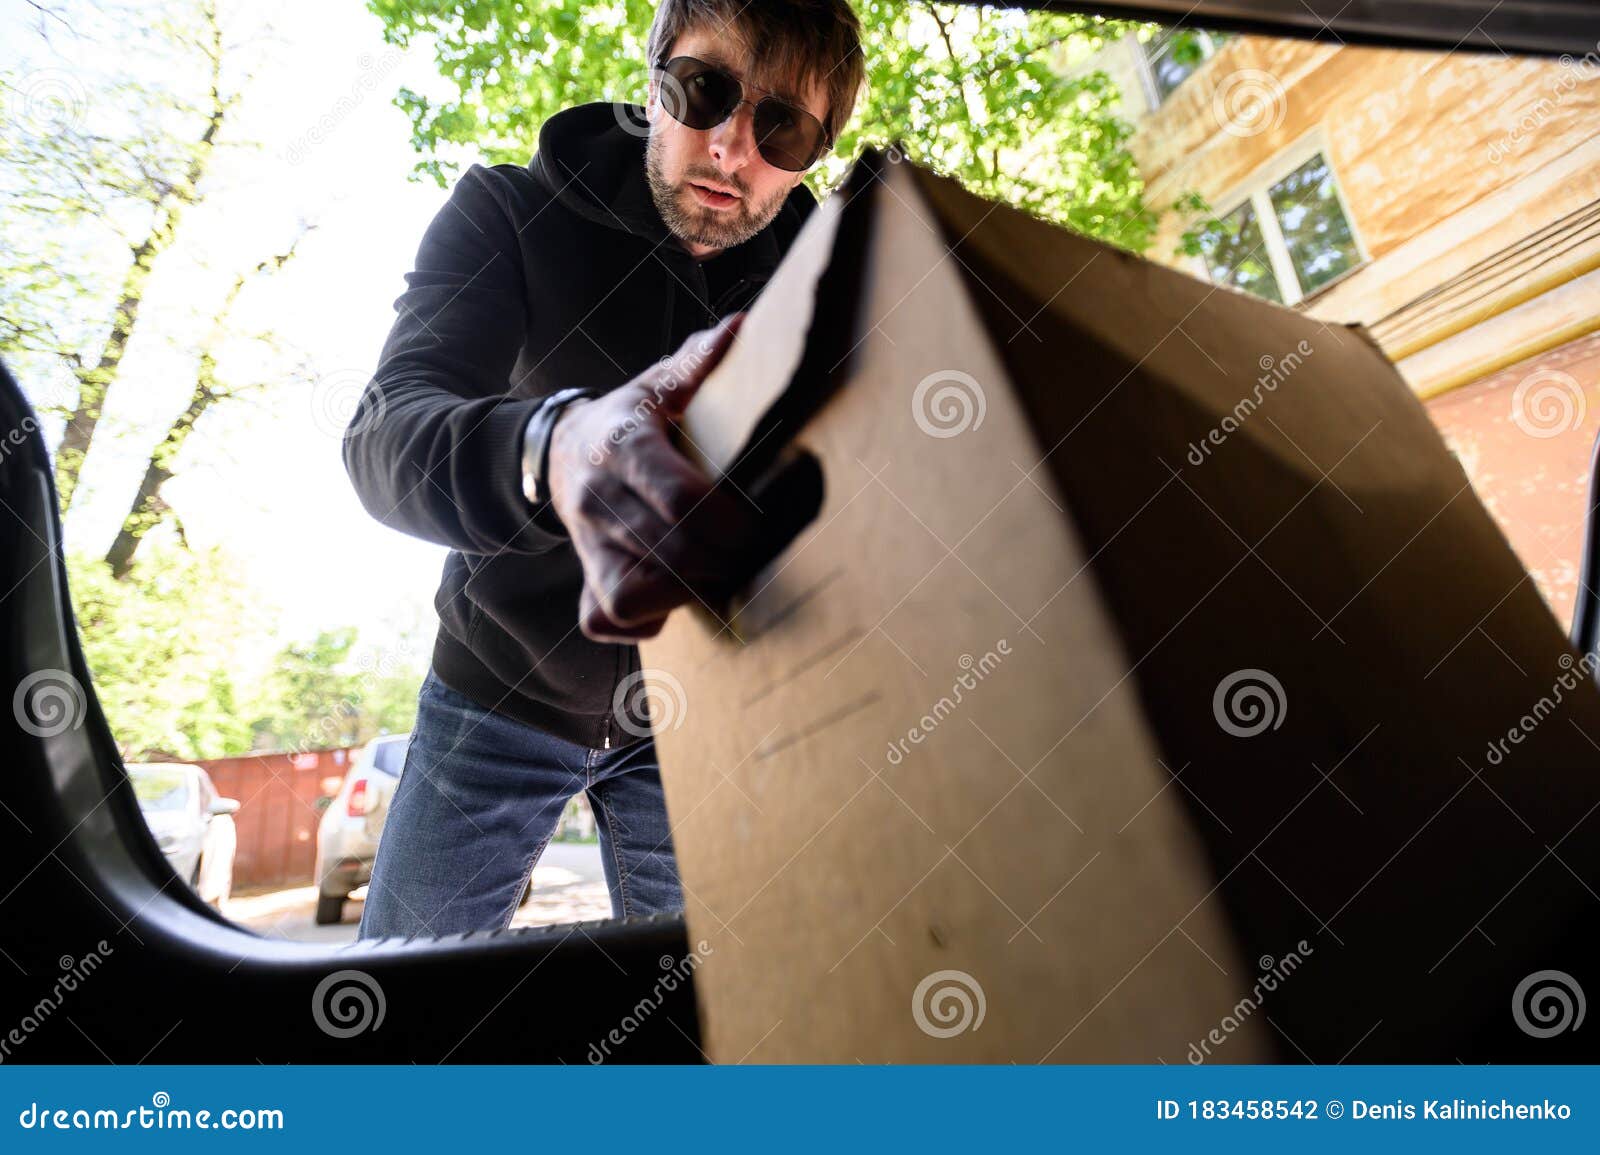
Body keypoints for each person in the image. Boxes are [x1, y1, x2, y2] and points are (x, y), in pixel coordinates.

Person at [344, 0, 867, 938]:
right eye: (707, 91)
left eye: (783, 126)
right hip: (496, 692)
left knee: (713, 1028)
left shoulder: (833, 293)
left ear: (817, 151)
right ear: (657, 73)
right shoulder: (503, 214)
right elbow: (385, 433)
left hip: (701, 729)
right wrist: (554, 446)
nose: (731, 150)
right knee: (400, 1004)